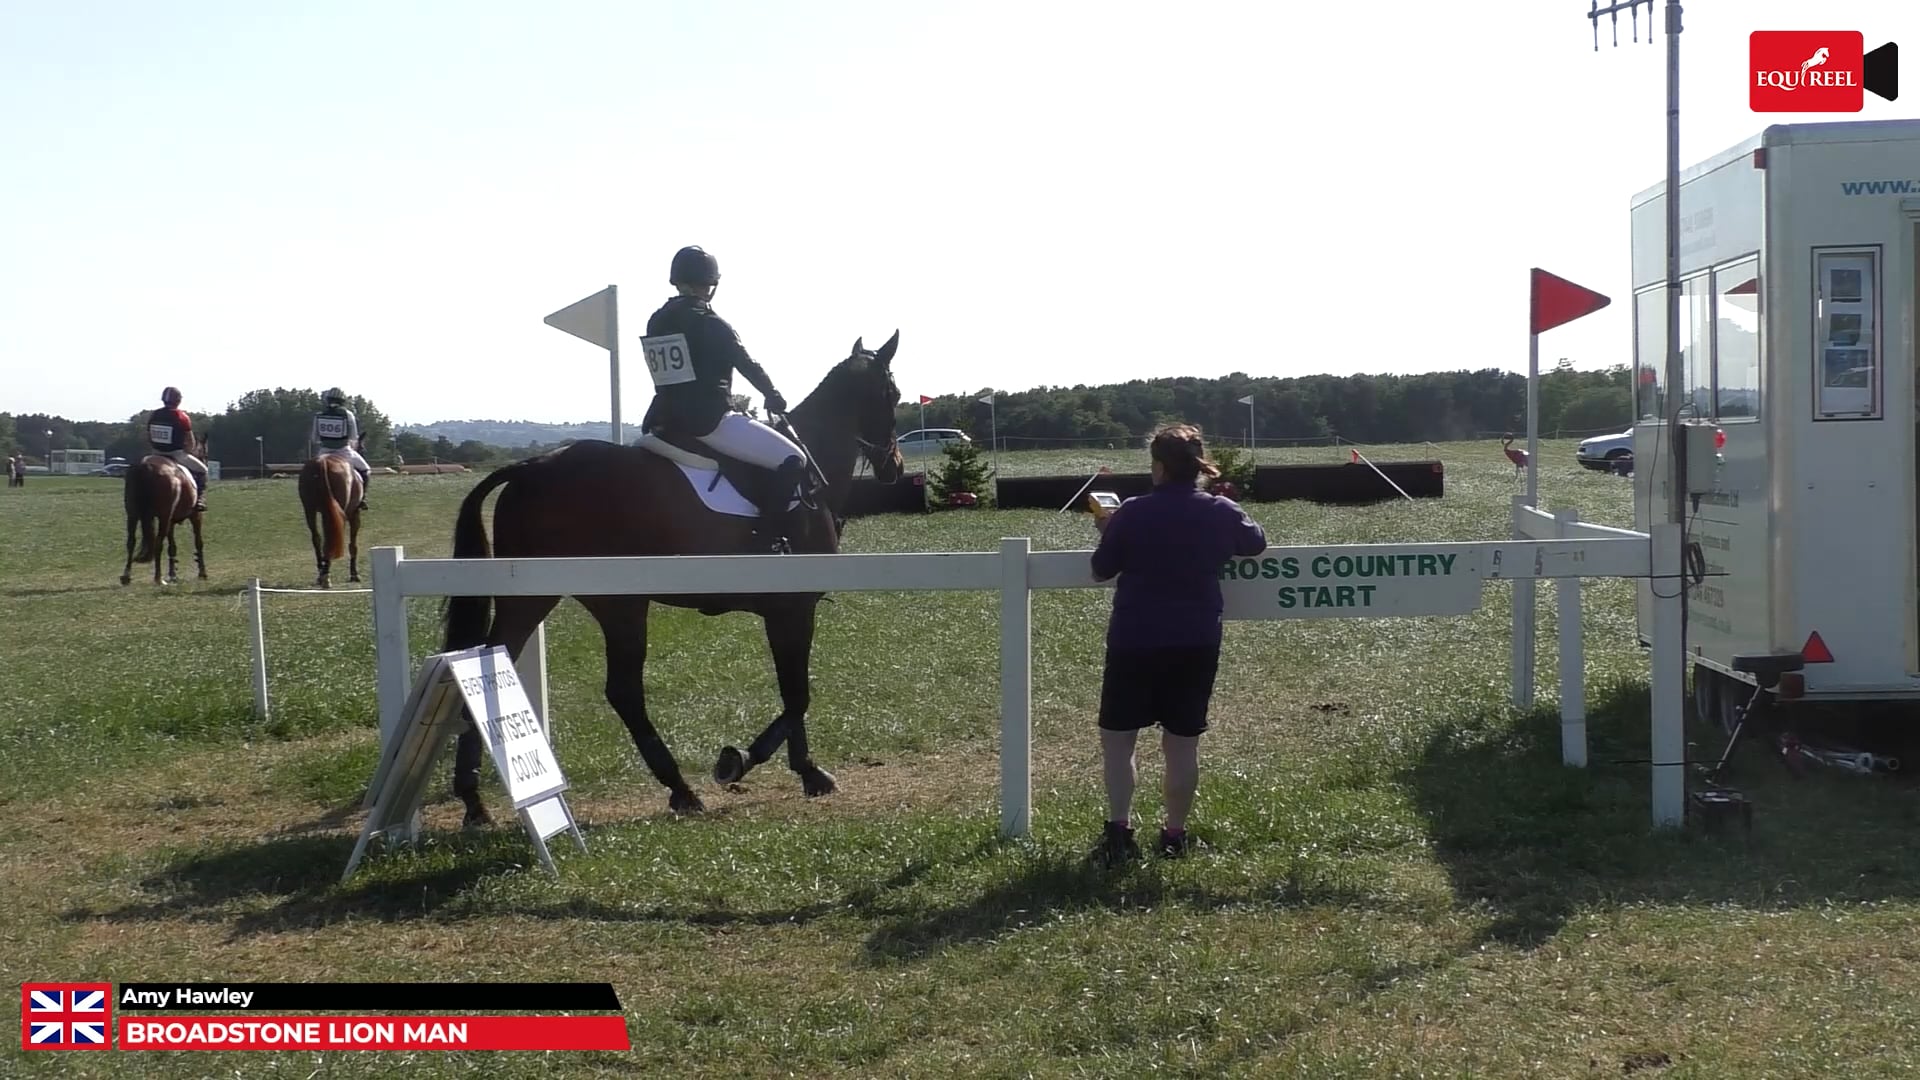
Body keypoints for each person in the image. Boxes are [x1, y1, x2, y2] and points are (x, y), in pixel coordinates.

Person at [1086, 423, 1267, 866]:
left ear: (1159, 466)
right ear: (1198, 467)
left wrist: (1110, 528)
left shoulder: (1132, 511)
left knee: (1118, 741)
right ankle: (1174, 833)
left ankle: (1120, 830)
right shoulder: (1220, 509)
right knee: (1182, 744)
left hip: (1135, 638)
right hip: (1196, 638)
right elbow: (1256, 543)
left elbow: (1100, 570)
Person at [639, 245, 806, 553]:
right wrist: (774, 396)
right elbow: (747, 364)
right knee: (793, 460)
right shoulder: (711, 323)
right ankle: (767, 539)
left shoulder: (656, 320)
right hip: (709, 421)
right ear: (710, 284)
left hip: (661, 418)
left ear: (676, 280)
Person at [145, 387, 209, 512]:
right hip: (176, 454)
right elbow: (190, 442)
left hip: (155, 454)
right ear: (178, 400)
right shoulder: (181, 416)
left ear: (163, 400)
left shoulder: (154, 415)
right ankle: (200, 500)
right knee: (203, 470)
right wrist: (189, 451)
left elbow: (148, 436)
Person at [311, 387, 371, 510]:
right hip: (343, 451)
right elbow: (354, 437)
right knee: (366, 470)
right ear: (342, 400)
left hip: (324, 451)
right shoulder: (348, 414)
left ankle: (313, 500)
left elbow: (314, 438)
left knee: (312, 474)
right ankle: (362, 499)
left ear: (327, 400)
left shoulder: (319, 415)